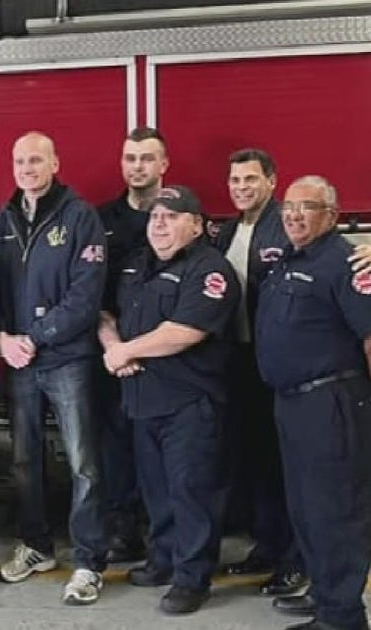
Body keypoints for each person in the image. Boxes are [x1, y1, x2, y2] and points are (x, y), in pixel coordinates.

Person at [99, 185, 238, 615]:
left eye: (172, 216)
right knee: (156, 491)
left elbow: (186, 332)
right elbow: (105, 314)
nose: (160, 223)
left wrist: (127, 351)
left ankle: (192, 578)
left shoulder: (210, 269)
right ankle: (163, 560)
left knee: (190, 493)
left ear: (196, 225)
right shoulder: (136, 264)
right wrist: (112, 347)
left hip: (189, 405)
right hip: (143, 402)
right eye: (156, 216)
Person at [0, 131, 110, 605]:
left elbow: (85, 297)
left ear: (55, 163)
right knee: (23, 460)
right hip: (19, 363)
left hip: (67, 361)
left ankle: (88, 560)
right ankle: (37, 545)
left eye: (36, 160)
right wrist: (1, 337)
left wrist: (32, 339)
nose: (27, 168)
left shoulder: (80, 218)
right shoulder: (1, 221)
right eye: (19, 161)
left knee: (83, 462)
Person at [255, 176, 371, 630]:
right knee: (305, 508)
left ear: (333, 215)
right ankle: (326, 597)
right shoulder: (289, 260)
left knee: (335, 510)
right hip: (293, 405)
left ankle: (343, 617)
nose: (294, 214)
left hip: (332, 403)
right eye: (289, 206)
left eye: (307, 206)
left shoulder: (347, 263)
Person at [212, 149, 305, 599]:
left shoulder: (286, 224)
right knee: (255, 463)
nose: (241, 187)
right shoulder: (228, 231)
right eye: (234, 180)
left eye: (250, 179)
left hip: (278, 365)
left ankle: (295, 560)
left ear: (272, 180)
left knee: (286, 467)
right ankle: (267, 547)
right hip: (239, 364)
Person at [95, 127, 169, 563]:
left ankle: (166, 535)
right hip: (114, 353)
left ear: (164, 165)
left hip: (167, 355)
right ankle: (123, 530)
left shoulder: (178, 214)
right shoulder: (100, 220)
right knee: (116, 447)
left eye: (146, 158)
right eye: (130, 158)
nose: (137, 166)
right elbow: (92, 292)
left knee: (162, 452)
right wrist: (116, 348)